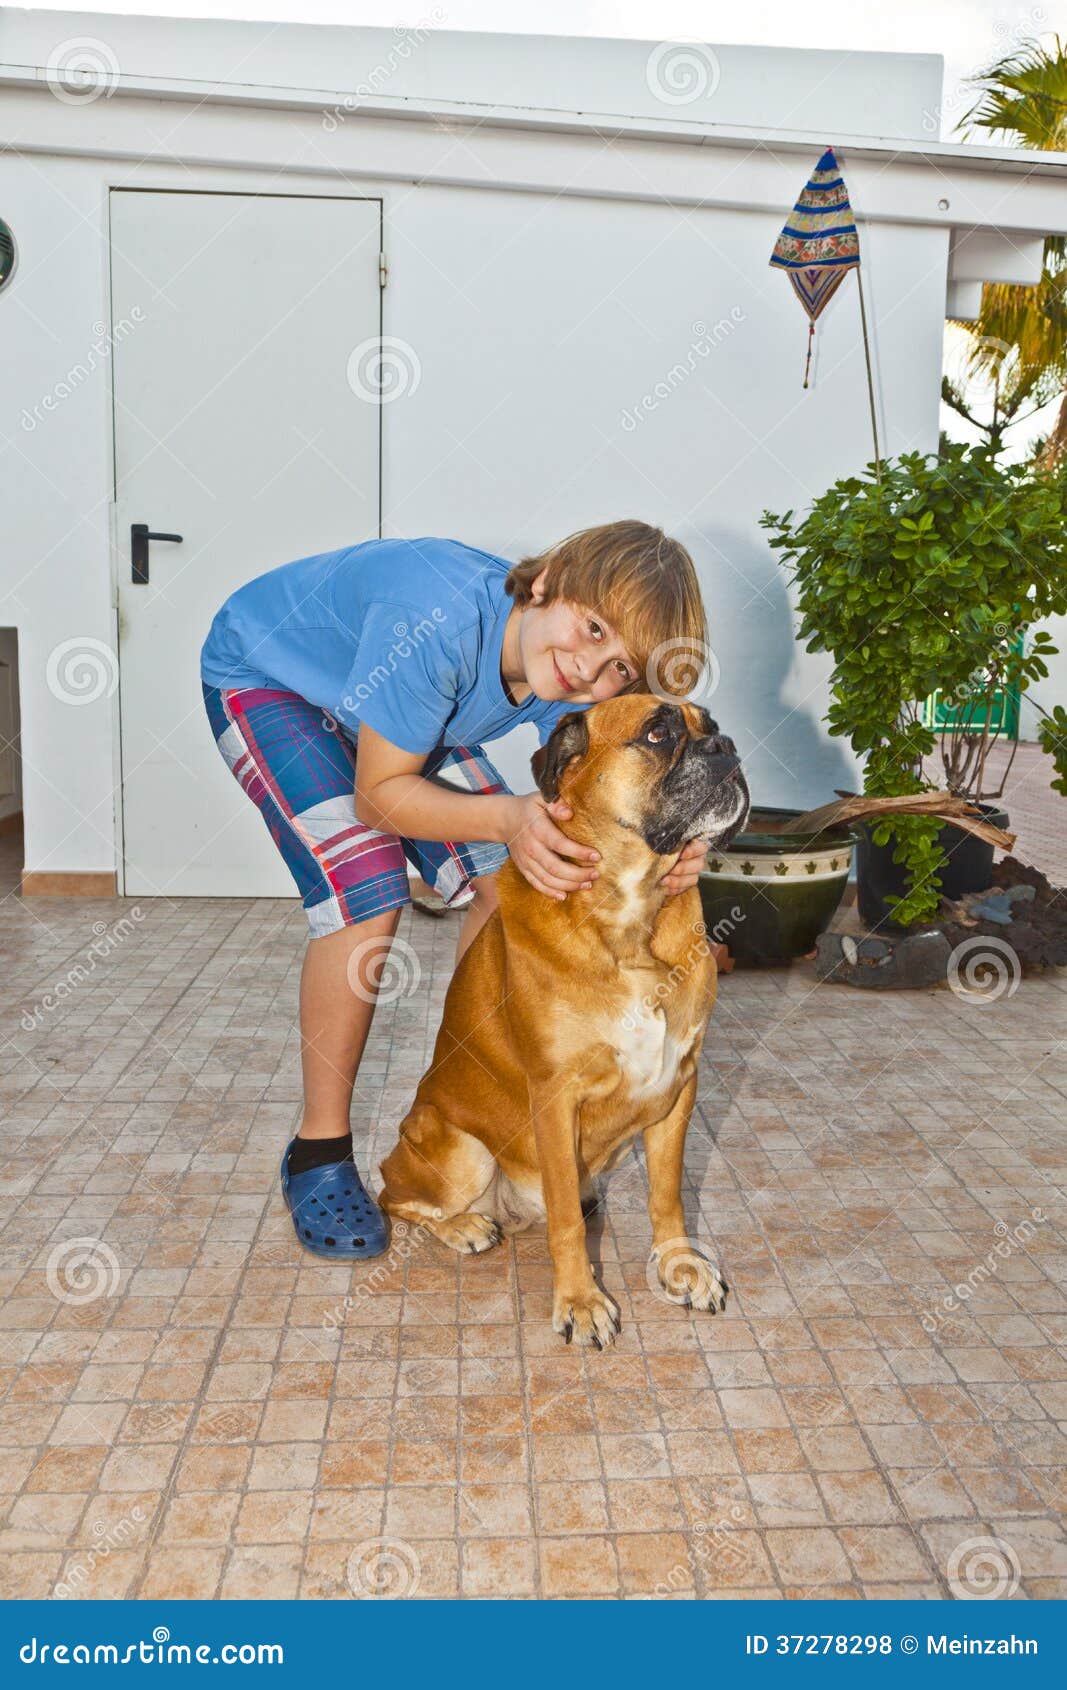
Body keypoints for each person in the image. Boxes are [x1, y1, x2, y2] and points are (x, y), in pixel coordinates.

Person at [200, 521, 712, 1258]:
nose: (587, 668)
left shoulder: (561, 667)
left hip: (393, 707)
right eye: (591, 627)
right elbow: (379, 799)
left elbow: (604, 788)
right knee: (368, 891)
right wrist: (508, 816)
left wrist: (674, 850)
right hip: (272, 681)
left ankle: (465, 1092)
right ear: (543, 584)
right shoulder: (434, 624)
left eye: (619, 668)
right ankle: (317, 1153)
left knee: (508, 883)